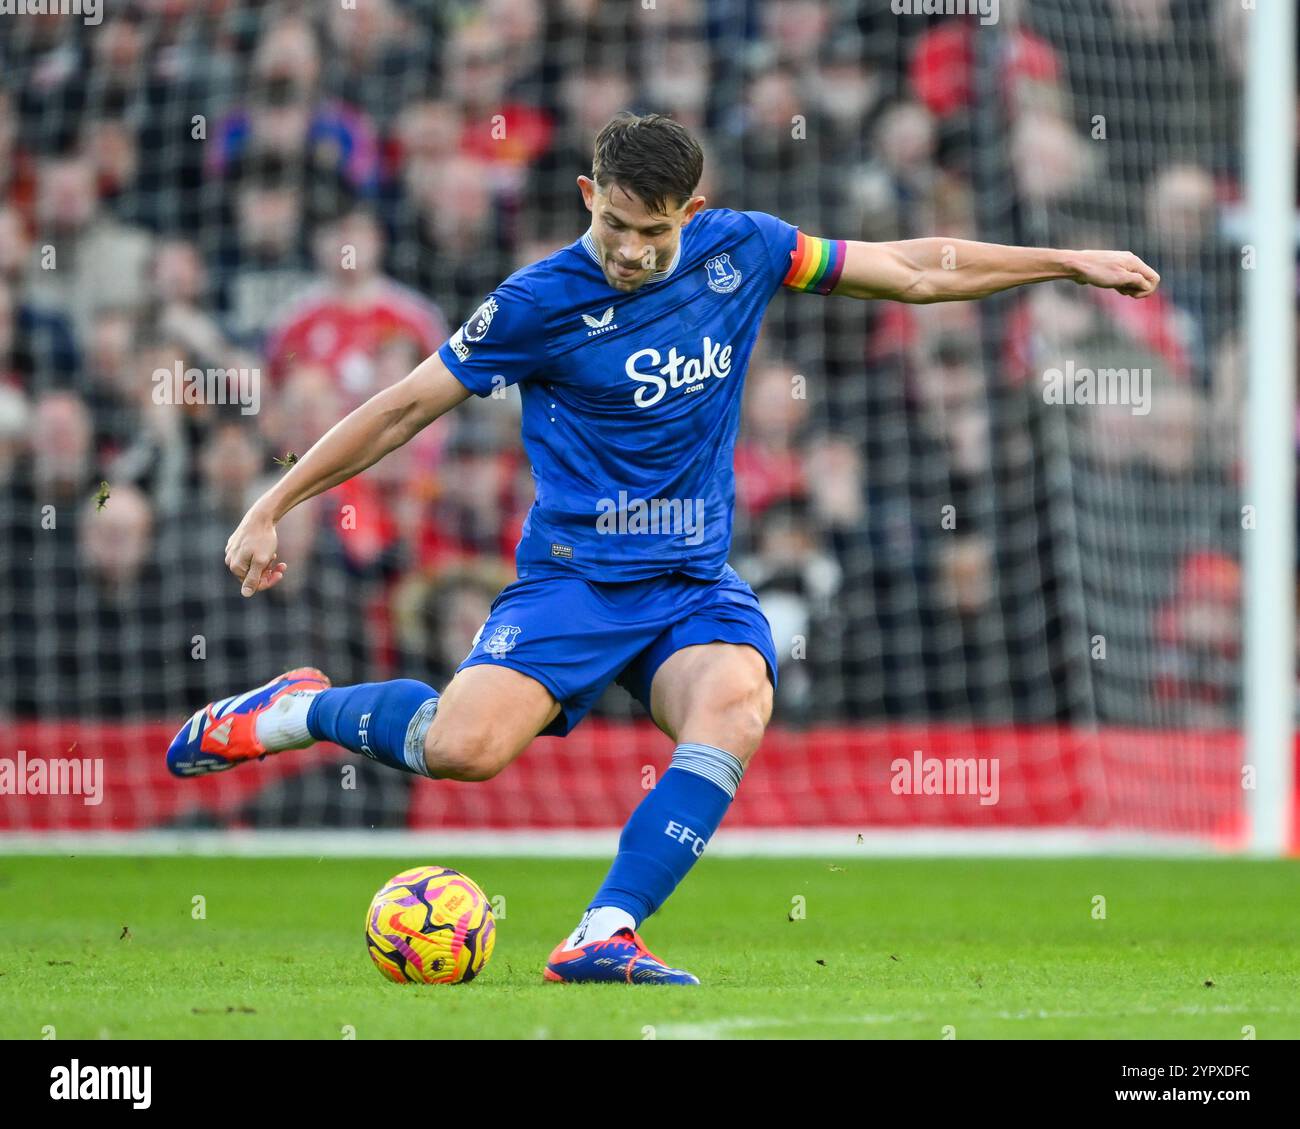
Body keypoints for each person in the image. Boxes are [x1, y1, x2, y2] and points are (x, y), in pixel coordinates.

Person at [166, 112, 1159, 985]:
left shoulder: (747, 250)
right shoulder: (535, 302)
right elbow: (401, 409)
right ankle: (295, 710)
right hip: (574, 583)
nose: (630, 252)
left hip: (688, 582)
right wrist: (274, 502)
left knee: (737, 699)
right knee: (459, 750)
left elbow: (911, 269)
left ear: (691, 211)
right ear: (587, 194)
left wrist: (1062, 262)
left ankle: (605, 930)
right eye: (613, 225)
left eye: (652, 232)